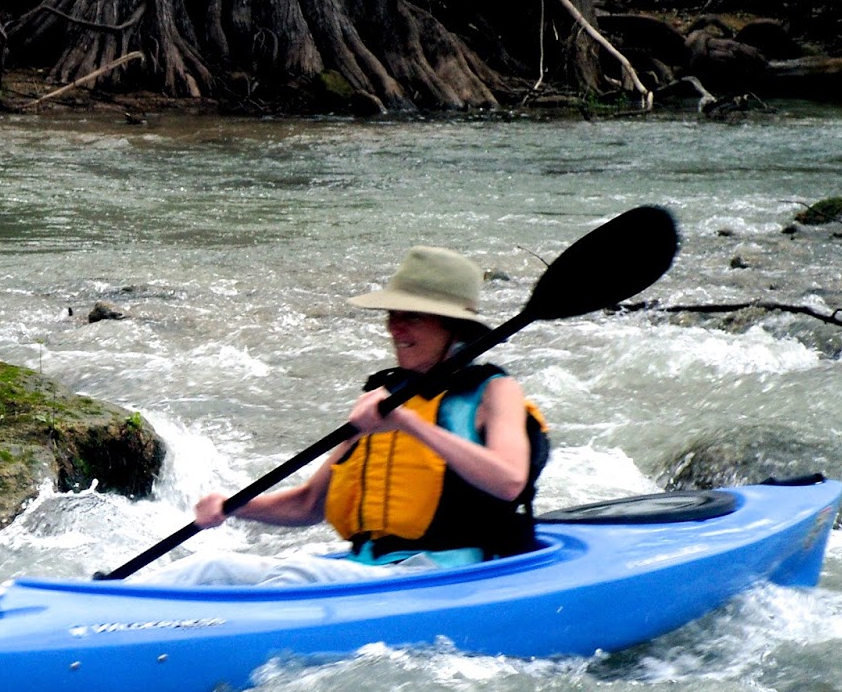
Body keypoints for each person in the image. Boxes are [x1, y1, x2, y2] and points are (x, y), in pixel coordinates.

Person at [148, 245, 549, 586]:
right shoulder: (384, 398)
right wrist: (233, 506)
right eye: (392, 315)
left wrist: (407, 423)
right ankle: (105, 612)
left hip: (445, 573)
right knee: (209, 567)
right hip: (369, 567)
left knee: (295, 580)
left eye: (412, 316)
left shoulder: (495, 392)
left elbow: (509, 481)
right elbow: (309, 504)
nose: (395, 329)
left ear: (454, 327)